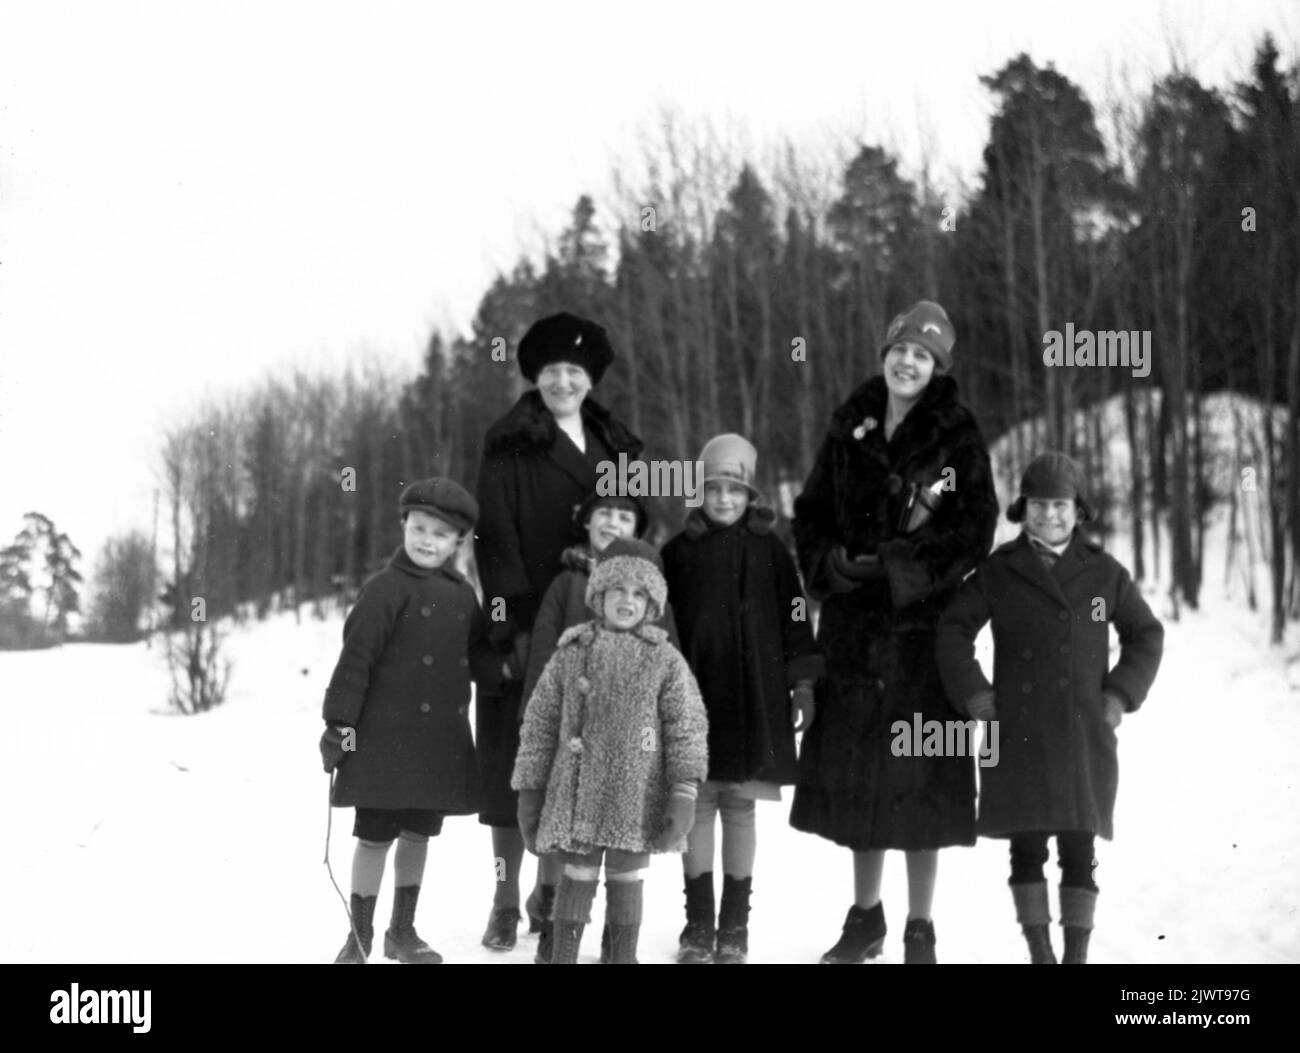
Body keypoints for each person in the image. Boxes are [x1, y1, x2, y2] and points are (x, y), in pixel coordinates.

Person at [789, 300, 999, 964]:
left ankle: (920, 926)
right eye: (899, 349)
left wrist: (902, 567)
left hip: (921, 636)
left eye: (923, 353)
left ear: (938, 366)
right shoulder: (851, 421)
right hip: (853, 631)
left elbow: (975, 526)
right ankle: (864, 919)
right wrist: (828, 565)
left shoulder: (956, 433)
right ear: (884, 354)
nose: (907, 361)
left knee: (923, 783)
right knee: (860, 784)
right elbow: (810, 510)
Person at [936, 452, 1163, 964]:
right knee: (1027, 847)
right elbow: (952, 631)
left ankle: (1076, 956)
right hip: (1013, 730)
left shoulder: (1104, 573)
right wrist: (977, 696)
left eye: (1059, 506)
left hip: (1084, 730)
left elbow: (1145, 634)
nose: (1049, 516)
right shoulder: (998, 571)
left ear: (1077, 510)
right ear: (1023, 509)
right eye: (1038, 506)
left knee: (1080, 850)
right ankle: (1040, 954)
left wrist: (1118, 695)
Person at [475, 311, 643, 950]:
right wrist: (509, 624)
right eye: (552, 371)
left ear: (591, 378)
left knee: (574, 765)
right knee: (514, 767)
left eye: (575, 371)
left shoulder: (616, 443)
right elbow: (494, 537)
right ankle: (502, 897)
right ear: (536, 377)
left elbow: (630, 527)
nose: (564, 382)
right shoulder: (509, 440)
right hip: (525, 621)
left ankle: (549, 894)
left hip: (593, 620)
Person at [319, 478, 503, 964]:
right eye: (419, 528)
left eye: (441, 535)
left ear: (457, 543)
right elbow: (354, 661)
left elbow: (478, 657)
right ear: (404, 526)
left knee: (419, 834)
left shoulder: (463, 595)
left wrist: (508, 665)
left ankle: (402, 931)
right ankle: (358, 936)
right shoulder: (383, 589)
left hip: (436, 743)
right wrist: (340, 726)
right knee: (375, 836)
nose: (427, 541)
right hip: (381, 741)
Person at [660, 433, 822, 964]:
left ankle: (735, 927)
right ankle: (698, 925)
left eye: (734, 489)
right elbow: (662, 625)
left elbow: (797, 614)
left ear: (750, 493)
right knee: (698, 803)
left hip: (756, 696)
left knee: (741, 806)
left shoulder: (772, 550)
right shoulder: (678, 551)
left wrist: (801, 681)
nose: (723, 498)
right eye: (713, 488)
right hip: (695, 695)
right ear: (698, 491)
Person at [512, 538, 709, 964]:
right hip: (576, 794)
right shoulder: (571, 652)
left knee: (627, 879)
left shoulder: (665, 660)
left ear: (653, 604)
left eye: (639, 594)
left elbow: (686, 729)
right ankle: (561, 953)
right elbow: (540, 725)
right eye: (618, 590)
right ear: (598, 595)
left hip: (634, 795)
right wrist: (530, 790)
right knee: (576, 876)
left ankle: (621, 956)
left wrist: (683, 791)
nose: (627, 600)